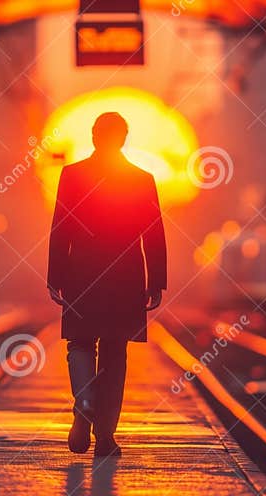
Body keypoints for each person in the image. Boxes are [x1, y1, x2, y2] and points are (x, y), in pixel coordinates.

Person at [47, 112, 167, 458]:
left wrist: (55, 277)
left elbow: (61, 228)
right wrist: (156, 280)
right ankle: (105, 437)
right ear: (124, 138)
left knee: (80, 344)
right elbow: (153, 232)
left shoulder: (72, 175)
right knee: (115, 353)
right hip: (125, 275)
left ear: (95, 136)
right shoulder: (141, 178)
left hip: (80, 272)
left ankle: (84, 404)